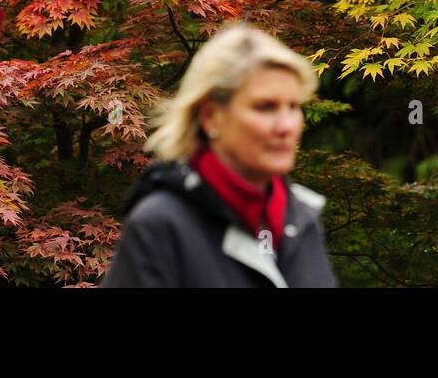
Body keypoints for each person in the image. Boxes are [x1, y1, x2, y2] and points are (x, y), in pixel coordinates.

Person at [102, 21, 336, 287]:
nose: (286, 126)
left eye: (293, 106)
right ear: (211, 117)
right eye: (265, 107)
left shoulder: (301, 219)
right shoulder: (160, 225)